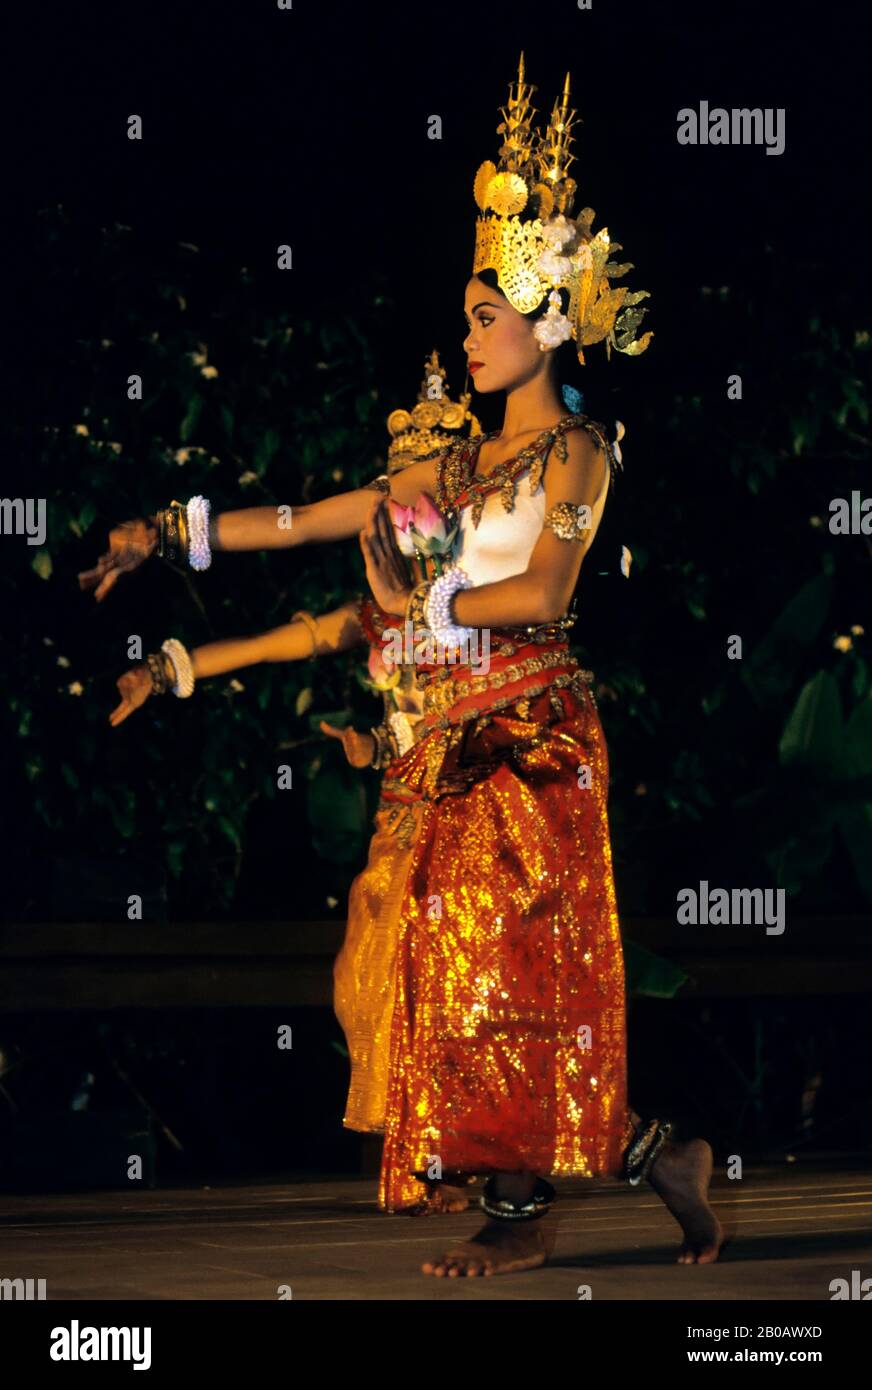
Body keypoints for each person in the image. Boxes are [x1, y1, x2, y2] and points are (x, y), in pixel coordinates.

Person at [81, 56, 724, 1275]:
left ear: (544, 317)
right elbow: (301, 521)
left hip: (533, 739)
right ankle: (646, 1158)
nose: (470, 336)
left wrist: (429, 598)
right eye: (469, 315)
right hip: (448, 745)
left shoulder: (577, 458)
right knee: (436, 953)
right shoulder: (452, 468)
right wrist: (164, 533)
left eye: (487, 314)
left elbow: (543, 593)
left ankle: (542, 1204)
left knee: (508, 965)